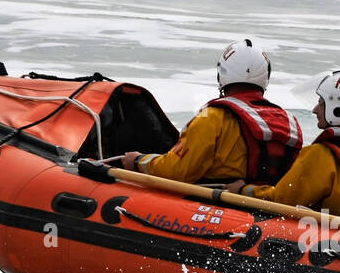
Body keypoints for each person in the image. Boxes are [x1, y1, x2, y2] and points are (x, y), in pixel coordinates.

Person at [119, 39, 302, 185]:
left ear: (221, 74)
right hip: (265, 206)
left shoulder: (212, 117)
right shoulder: (289, 121)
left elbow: (179, 171)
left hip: (217, 204)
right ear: (265, 77)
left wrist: (138, 162)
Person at [228, 70, 340, 219]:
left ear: (338, 109)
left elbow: (280, 201)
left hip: (328, 245)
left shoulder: (321, 154)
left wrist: (243, 190)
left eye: (321, 102)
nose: (314, 109)